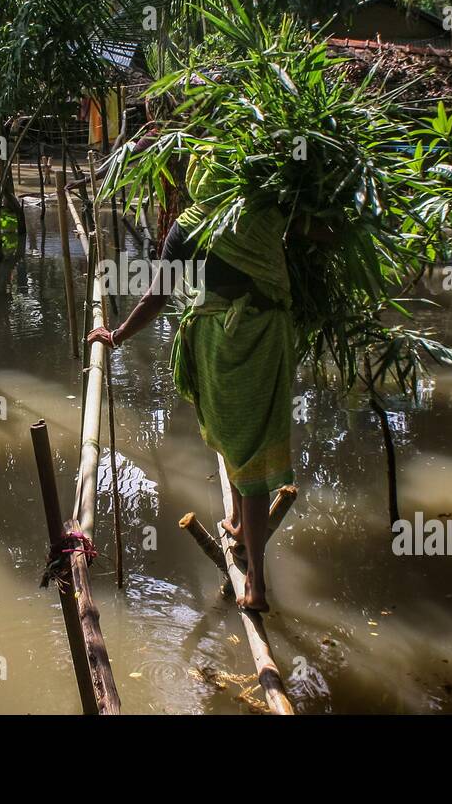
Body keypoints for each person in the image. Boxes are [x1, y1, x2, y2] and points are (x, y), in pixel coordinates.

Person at [87, 156, 315, 611]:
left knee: (240, 448)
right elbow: (317, 233)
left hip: (221, 347)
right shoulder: (262, 213)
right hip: (269, 339)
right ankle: (234, 519)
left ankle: (256, 584)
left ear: (195, 181)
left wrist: (115, 336)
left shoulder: (188, 228)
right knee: (254, 438)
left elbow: (157, 297)